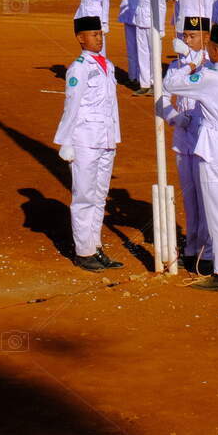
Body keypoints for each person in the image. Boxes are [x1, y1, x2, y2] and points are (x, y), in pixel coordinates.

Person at [162, 22, 218, 293]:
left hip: (214, 150)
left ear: (213, 49)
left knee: (217, 213)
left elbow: (171, 84)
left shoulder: (210, 78)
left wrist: (190, 63)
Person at [52, 15, 124, 271]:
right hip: (84, 138)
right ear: (80, 38)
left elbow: (112, 105)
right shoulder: (78, 68)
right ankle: (83, 251)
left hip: (105, 138)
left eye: (100, 34)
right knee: (84, 196)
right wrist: (65, 140)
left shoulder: (108, 65)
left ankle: (95, 246)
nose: (98, 38)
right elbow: (71, 105)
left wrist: (115, 136)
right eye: (93, 34)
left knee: (100, 196)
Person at [159, 16, 212, 267]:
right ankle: (191, 248)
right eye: (184, 36)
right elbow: (162, 98)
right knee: (190, 198)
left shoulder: (212, 65)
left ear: (206, 38)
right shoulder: (175, 66)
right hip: (183, 138)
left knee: (207, 198)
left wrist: (191, 62)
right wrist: (173, 118)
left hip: (206, 139)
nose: (186, 40)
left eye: (192, 36)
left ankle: (209, 251)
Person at [110, 0, 164, 95]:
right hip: (139, 20)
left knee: (154, 54)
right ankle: (144, 84)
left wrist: (162, 28)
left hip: (153, 22)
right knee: (142, 53)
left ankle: (154, 83)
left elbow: (162, 6)